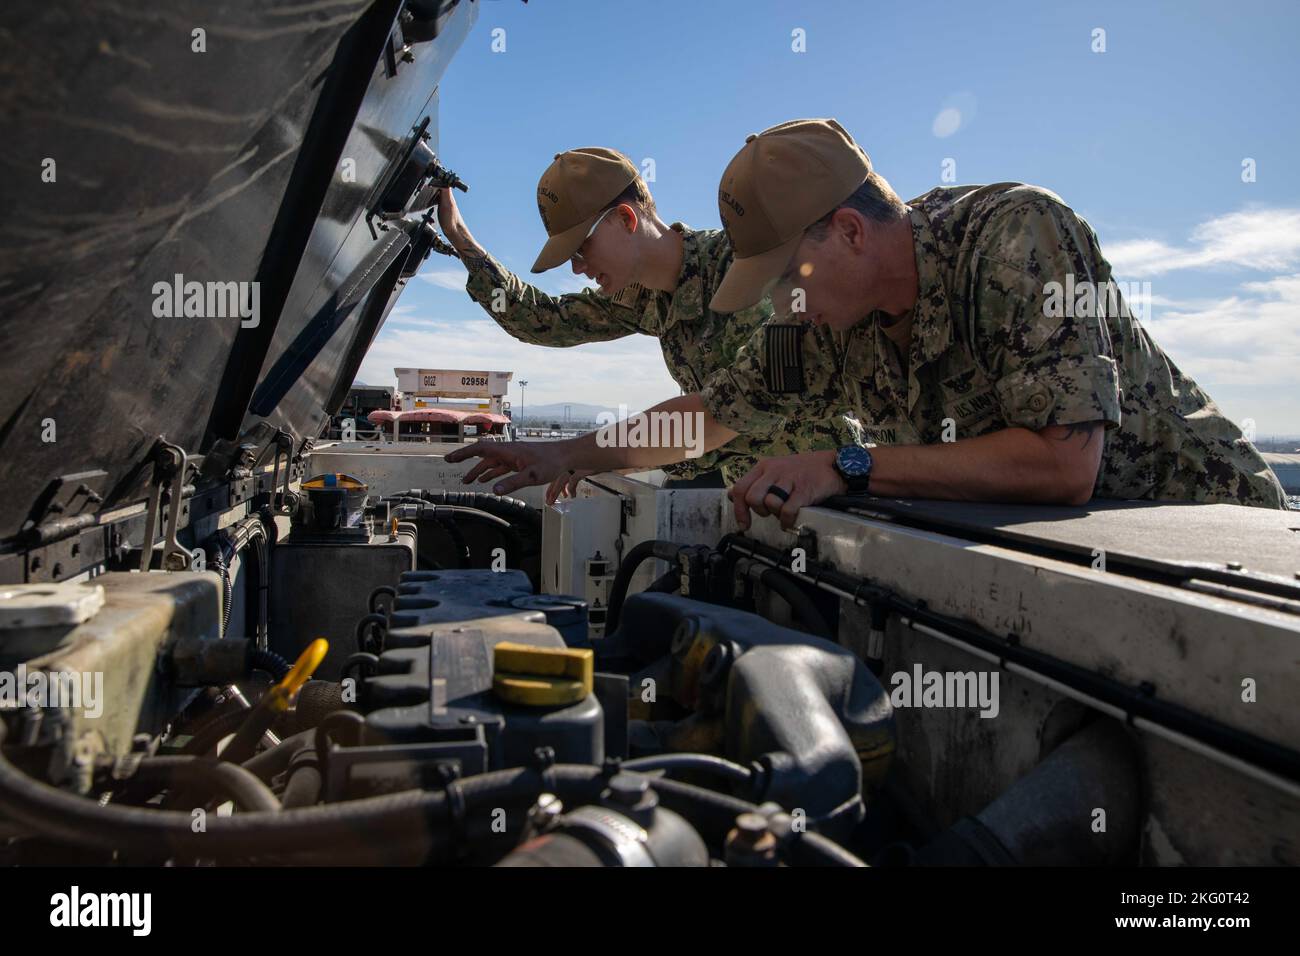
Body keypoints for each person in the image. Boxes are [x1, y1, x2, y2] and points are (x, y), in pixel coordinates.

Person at [447, 120, 1286, 527]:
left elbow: (1063, 463)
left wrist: (845, 465)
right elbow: (714, 414)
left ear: (848, 233)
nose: (776, 307)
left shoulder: (1015, 235)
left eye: (780, 281)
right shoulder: (819, 316)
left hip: (1214, 540)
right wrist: (561, 454)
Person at [435, 146, 860, 495]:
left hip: (828, 495)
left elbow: (724, 415)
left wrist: (582, 452)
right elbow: (541, 320)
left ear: (625, 219)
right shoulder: (643, 298)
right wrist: (460, 238)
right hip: (757, 496)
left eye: (582, 249)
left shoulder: (739, 270)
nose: (579, 268)